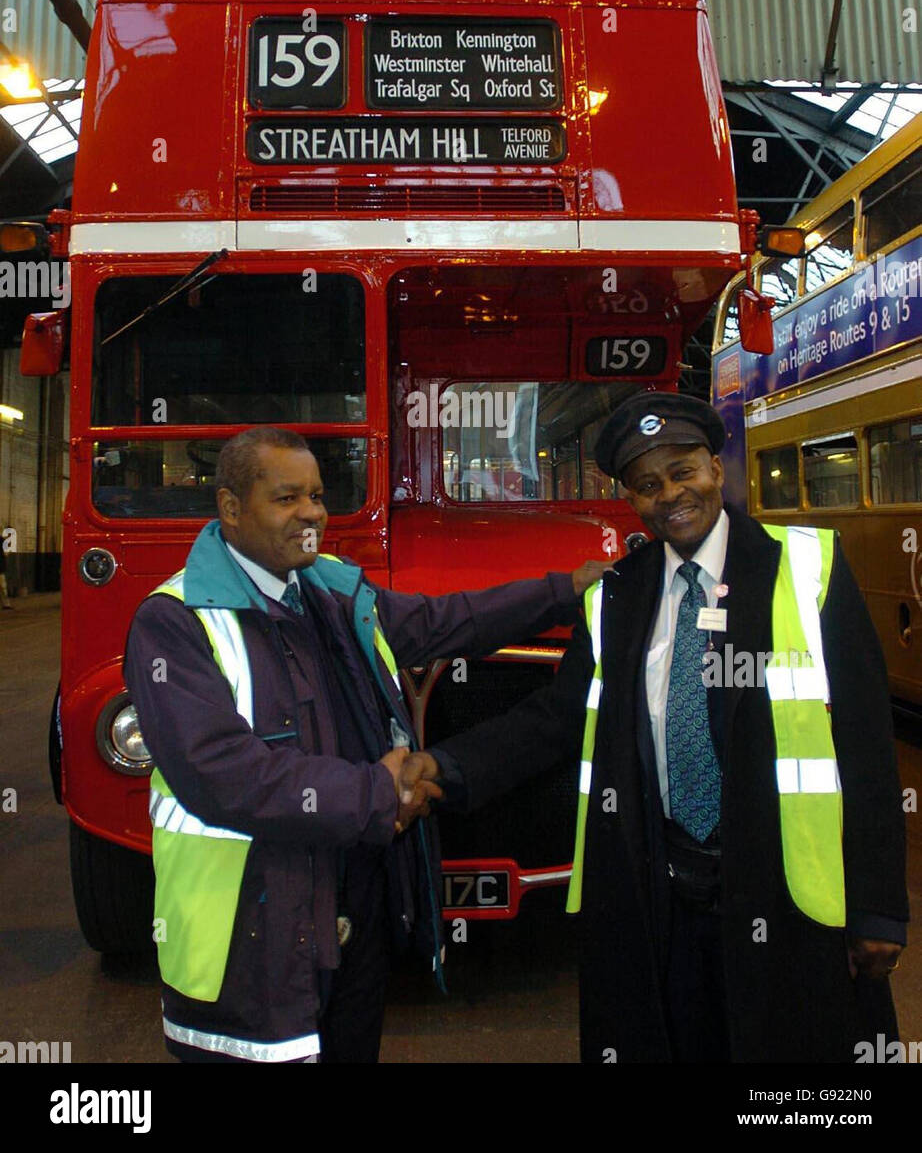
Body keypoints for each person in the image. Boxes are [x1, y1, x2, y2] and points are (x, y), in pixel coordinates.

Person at [403, 391, 908, 1063]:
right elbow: (553, 720)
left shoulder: (808, 568)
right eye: (647, 484)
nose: (670, 494)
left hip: (787, 893)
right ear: (631, 497)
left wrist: (877, 909)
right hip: (662, 891)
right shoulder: (617, 594)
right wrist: (445, 767)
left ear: (715, 468)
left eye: (683, 471)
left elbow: (868, 746)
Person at [123, 425, 602, 1064]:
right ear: (231, 509)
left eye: (318, 496)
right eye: (287, 498)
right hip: (256, 928)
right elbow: (222, 773)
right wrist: (379, 792)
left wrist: (561, 591)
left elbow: (441, 623)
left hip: (353, 902)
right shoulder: (175, 621)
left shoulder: (331, 589)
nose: (313, 513)